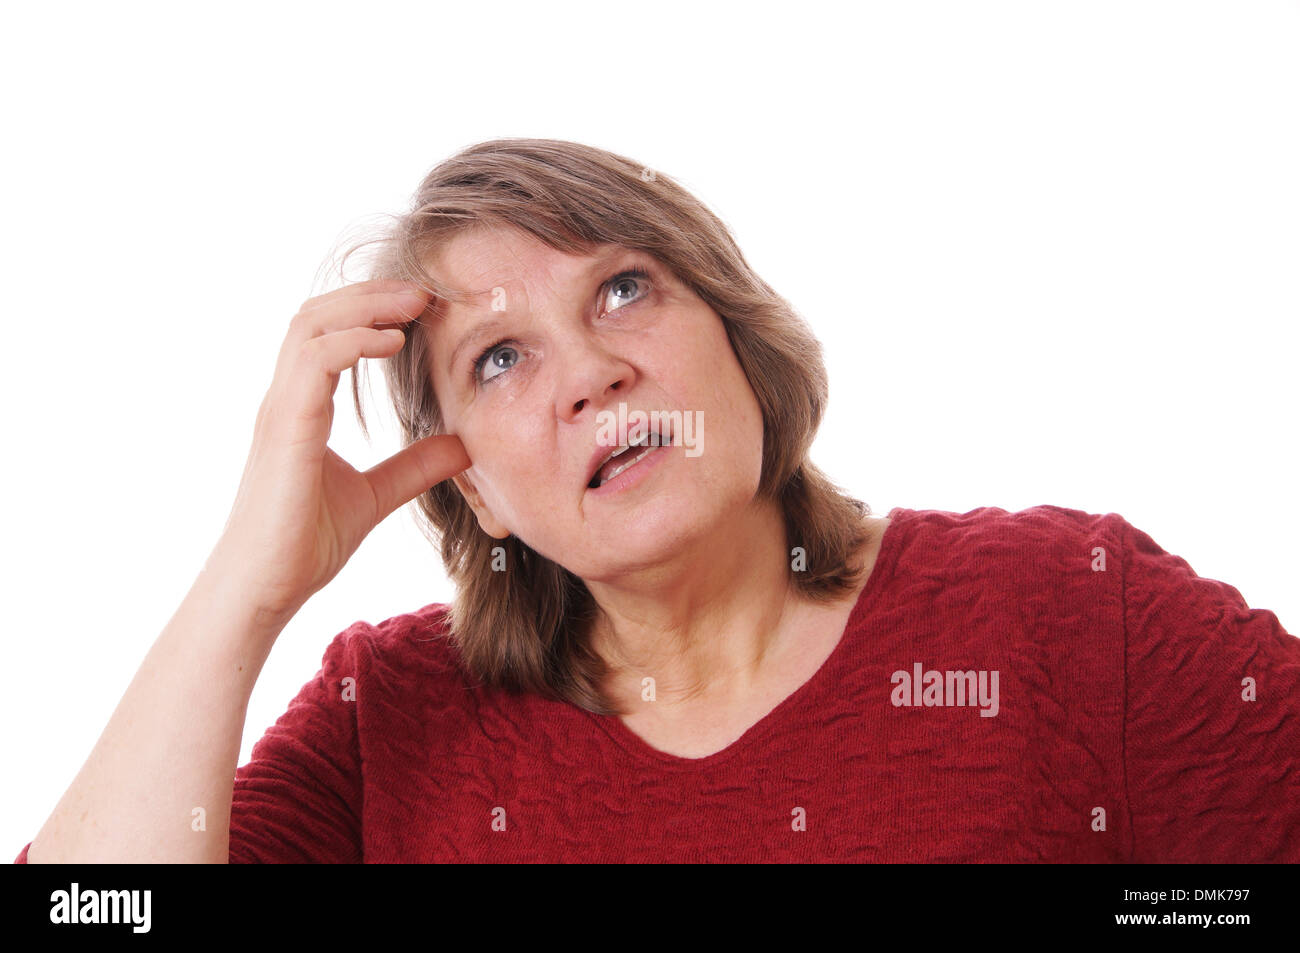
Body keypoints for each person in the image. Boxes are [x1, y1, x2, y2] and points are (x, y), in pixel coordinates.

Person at [16, 139, 1299, 863]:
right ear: (480, 490)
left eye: (623, 288)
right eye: (499, 358)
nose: (591, 374)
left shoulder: (1065, 608)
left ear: (735, 337)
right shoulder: (385, 719)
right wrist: (247, 586)